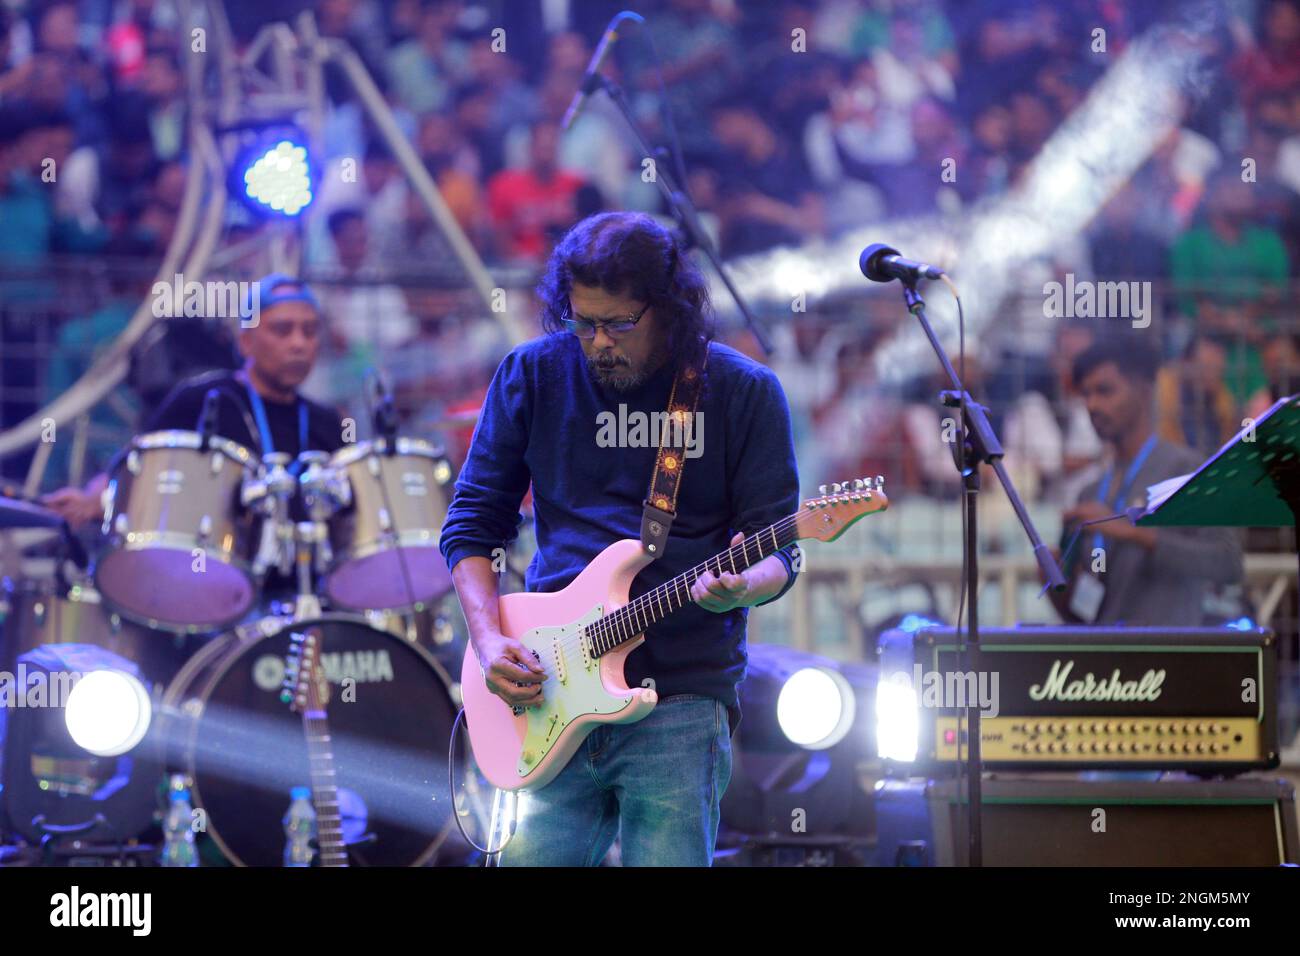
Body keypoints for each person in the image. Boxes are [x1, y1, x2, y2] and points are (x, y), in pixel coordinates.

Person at [438, 212, 802, 867]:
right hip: (548, 685)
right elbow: (470, 525)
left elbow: (782, 551)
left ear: (668, 309)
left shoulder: (743, 392)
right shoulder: (532, 375)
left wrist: (743, 587)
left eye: (620, 323)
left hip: (681, 695)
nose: (599, 342)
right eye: (583, 323)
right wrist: (488, 640)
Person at [43, 274, 345, 530]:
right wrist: (93, 498)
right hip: (216, 579)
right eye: (282, 330)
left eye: (309, 331)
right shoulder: (203, 398)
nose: (299, 344)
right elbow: (136, 462)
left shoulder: (327, 423)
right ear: (246, 340)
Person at [1051, 336, 1242, 627]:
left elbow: (1227, 563)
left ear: (1143, 391)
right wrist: (1057, 584)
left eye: (1105, 391)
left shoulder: (1186, 470)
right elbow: (1084, 616)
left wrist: (1133, 533)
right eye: (1086, 394)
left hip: (1170, 662)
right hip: (1107, 667)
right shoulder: (1090, 493)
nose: (1092, 405)